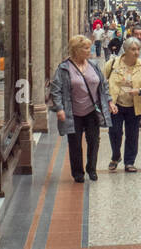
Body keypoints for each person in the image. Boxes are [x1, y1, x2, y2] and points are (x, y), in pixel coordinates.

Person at [49, 35, 114, 182]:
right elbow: (56, 89)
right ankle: (78, 173)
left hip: (92, 111)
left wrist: (109, 101)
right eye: (85, 48)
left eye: (89, 47)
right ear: (76, 50)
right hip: (73, 113)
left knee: (94, 141)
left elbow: (103, 85)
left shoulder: (93, 65)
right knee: (75, 143)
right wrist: (59, 108)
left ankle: (92, 169)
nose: (89, 50)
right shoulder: (64, 68)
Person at [106, 37, 141, 173]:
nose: (136, 52)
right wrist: (108, 100)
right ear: (125, 50)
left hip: (134, 105)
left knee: (132, 134)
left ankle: (129, 162)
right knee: (114, 132)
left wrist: (139, 91)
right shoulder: (113, 64)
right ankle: (116, 156)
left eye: (138, 49)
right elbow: (102, 82)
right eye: (133, 49)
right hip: (116, 104)